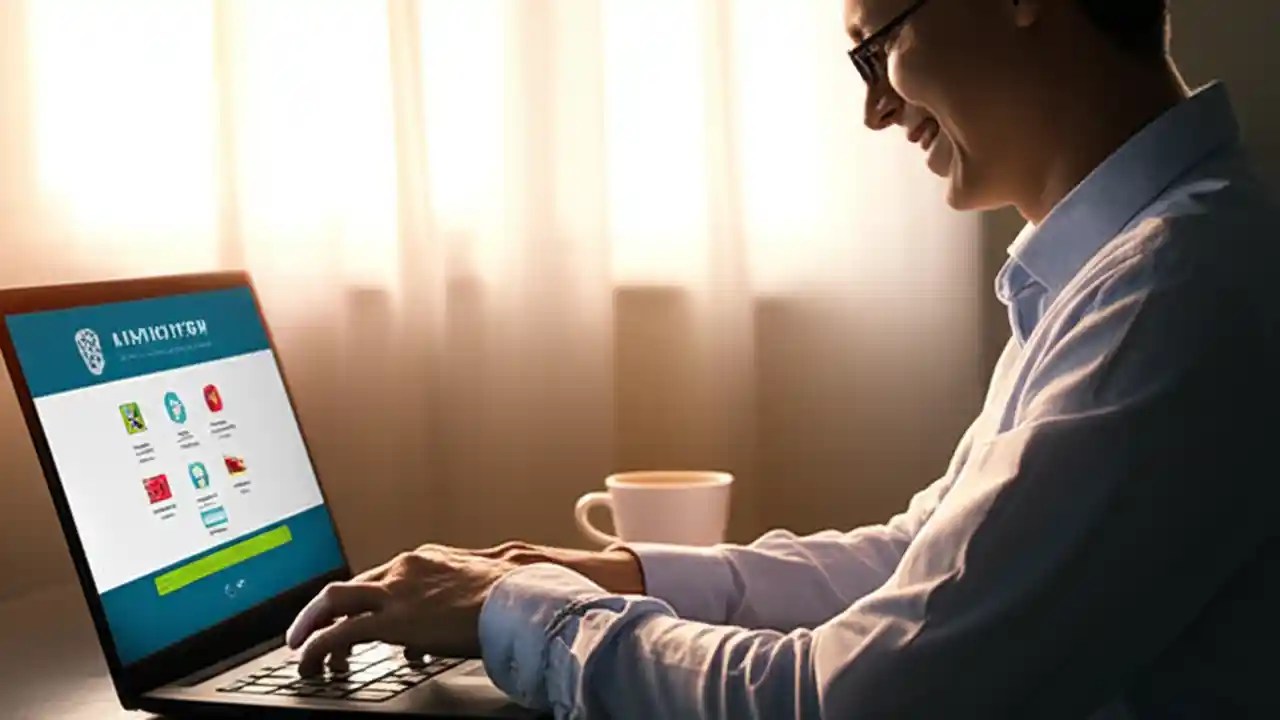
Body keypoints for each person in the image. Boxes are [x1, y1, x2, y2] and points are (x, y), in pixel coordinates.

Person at [286, 0, 1279, 716]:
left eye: (876, 47)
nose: (873, 113)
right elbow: (917, 565)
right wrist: (619, 574)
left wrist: (525, 616)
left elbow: (853, 699)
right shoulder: (1126, 266)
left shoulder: (1172, 288)